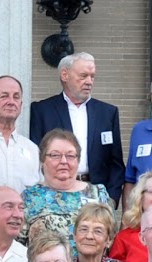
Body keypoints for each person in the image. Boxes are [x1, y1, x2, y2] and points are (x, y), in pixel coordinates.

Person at [29, 53, 124, 197]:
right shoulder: (42, 110)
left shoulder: (107, 113)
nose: (89, 81)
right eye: (83, 76)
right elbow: (36, 158)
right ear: (64, 75)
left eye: (92, 76)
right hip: (54, 193)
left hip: (96, 195)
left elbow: (116, 162)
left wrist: (112, 199)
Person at [20, 129, 110, 247]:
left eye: (70, 156)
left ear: (78, 160)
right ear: (42, 160)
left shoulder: (98, 193)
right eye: (55, 155)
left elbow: (110, 237)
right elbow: (16, 245)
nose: (64, 161)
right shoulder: (29, 197)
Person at [0, 75, 40, 191]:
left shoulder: (32, 149)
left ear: (21, 105)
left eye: (16, 97)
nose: (11, 102)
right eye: (4, 96)